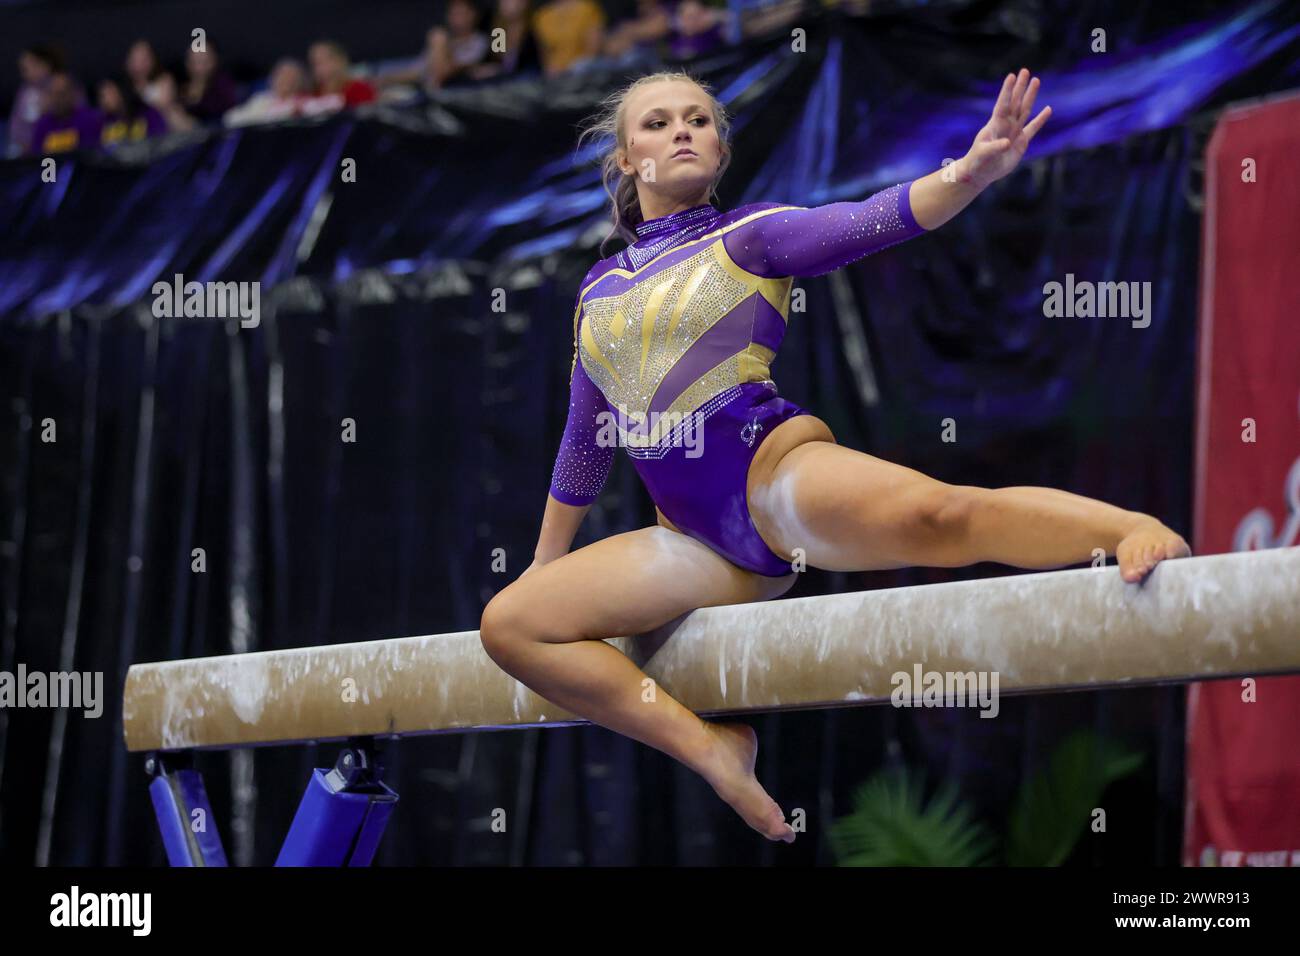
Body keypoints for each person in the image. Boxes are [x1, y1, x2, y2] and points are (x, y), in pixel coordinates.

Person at [478, 69, 1191, 842]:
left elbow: (871, 220)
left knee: (941, 514)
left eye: (698, 119)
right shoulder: (596, 291)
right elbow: (586, 437)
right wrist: (547, 562)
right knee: (512, 624)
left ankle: (1124, 529)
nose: (682, 130)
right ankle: (713, 752)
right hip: (689, 540)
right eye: (657, 123)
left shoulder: (750, 237)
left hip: (773, 477)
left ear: (719, 149)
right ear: (625, 159)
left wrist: (970, 171)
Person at [8, 44, 63, 157]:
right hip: (24, 148)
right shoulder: (25, 91)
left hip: (56, 144)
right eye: (22, 69)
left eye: (26, 69)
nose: (24, 74)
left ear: (44, 65)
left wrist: (54, 105)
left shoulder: (62, 85)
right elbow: (17, 124)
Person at [29, 71, 102, 153]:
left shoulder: (88, 119)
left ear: (72, 94)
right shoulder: (42, 125)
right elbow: (36, 159)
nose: (58, 99)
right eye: (54, 94)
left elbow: (92, 154)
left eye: (62, 94)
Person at [531, 0, 606, 76]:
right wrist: (550, 70)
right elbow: (544, 54)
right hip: (554, 75)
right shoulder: (542, 16)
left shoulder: (588, 9)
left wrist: (571, 69)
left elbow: (593, 50)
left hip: (583, 71)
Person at [224, 58, 307, 127]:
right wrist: (261, 117)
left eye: (290, 76)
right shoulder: (261, 99)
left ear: (299, 81)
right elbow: (230, 118)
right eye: (281, 75)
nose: (284, 80)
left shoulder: (303, 103)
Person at [305, 40, 377, 112]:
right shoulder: (312, 96)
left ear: (341, 60)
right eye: (316, 63)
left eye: (327, 60)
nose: (322, 68)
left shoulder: (360, 89)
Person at [97, 75, 166, 146]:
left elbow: (161, 141)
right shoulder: (106, 122)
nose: (104, 100)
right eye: (102, 96)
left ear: (121, 90)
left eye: (108, 93)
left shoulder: (149, 114)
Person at [183, 42, 239, 122]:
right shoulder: (181, 88)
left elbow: (227, 112)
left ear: (214, 60)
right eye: (195, 61)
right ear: (187, 64)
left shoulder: (223, 84)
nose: (200, 67)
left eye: (204, 61)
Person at [124, 39, 167, 107]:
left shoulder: (164, 81)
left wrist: (143, 87)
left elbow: (164, 103)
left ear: (153, 60)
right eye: (135, 59)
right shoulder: (121, 86)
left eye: (144, 60)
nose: (138, 65)